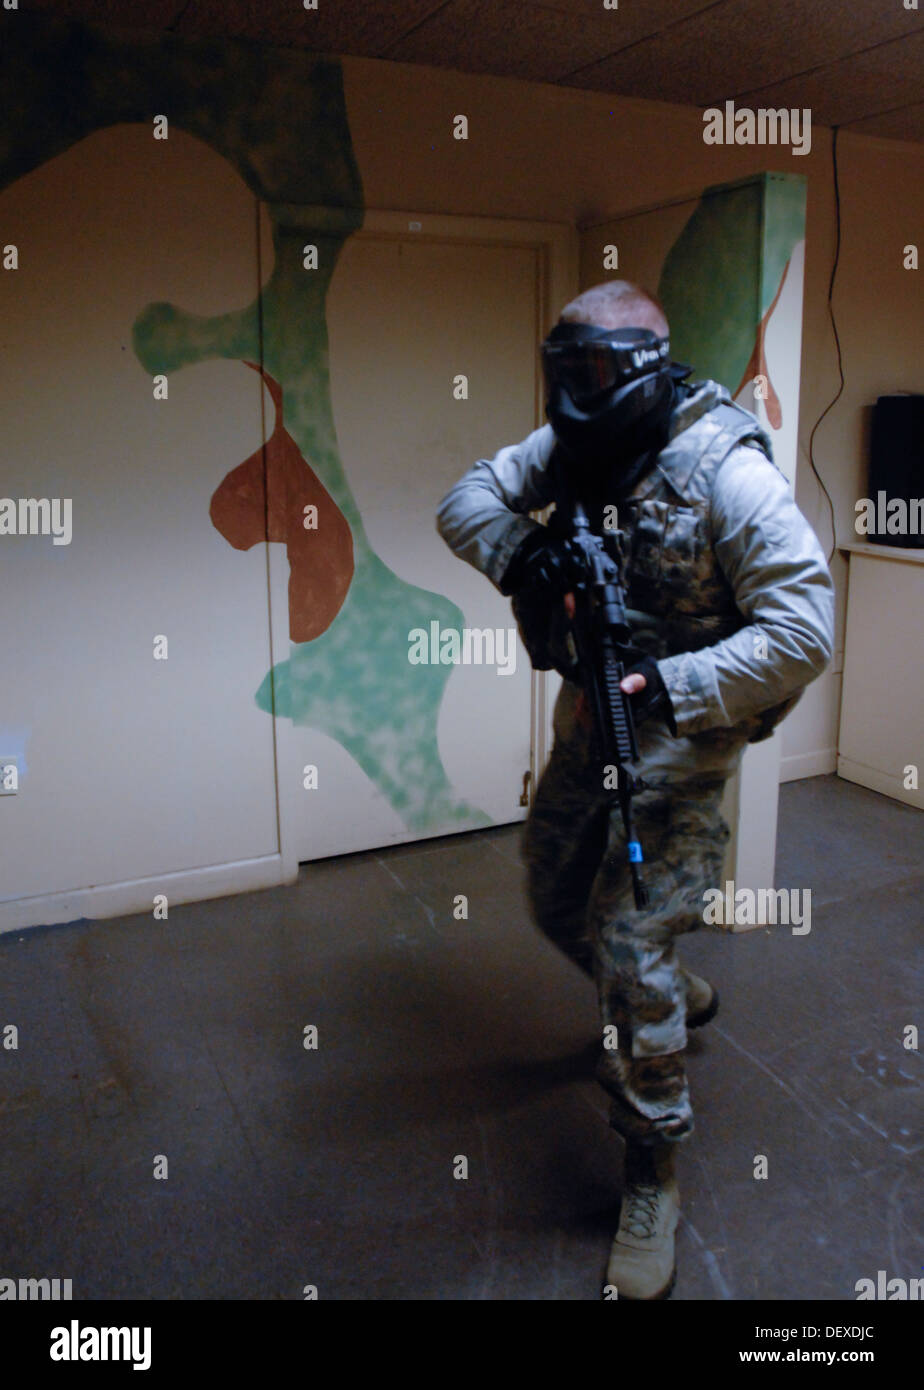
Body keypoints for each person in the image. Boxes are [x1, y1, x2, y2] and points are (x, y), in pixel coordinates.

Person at [435, 279, 835, 1299]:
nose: (577, 392)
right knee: (550, 888)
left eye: (599, 372)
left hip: (684, 730)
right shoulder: (570, 444)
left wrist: (673, 680)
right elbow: (465, 500)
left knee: (626, 935)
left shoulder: (725, 473)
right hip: (592, 710)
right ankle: (666, 994)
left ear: (648, 365)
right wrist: (528, 556)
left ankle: (651, 1158)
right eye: (563, 370)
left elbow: (803, 632)